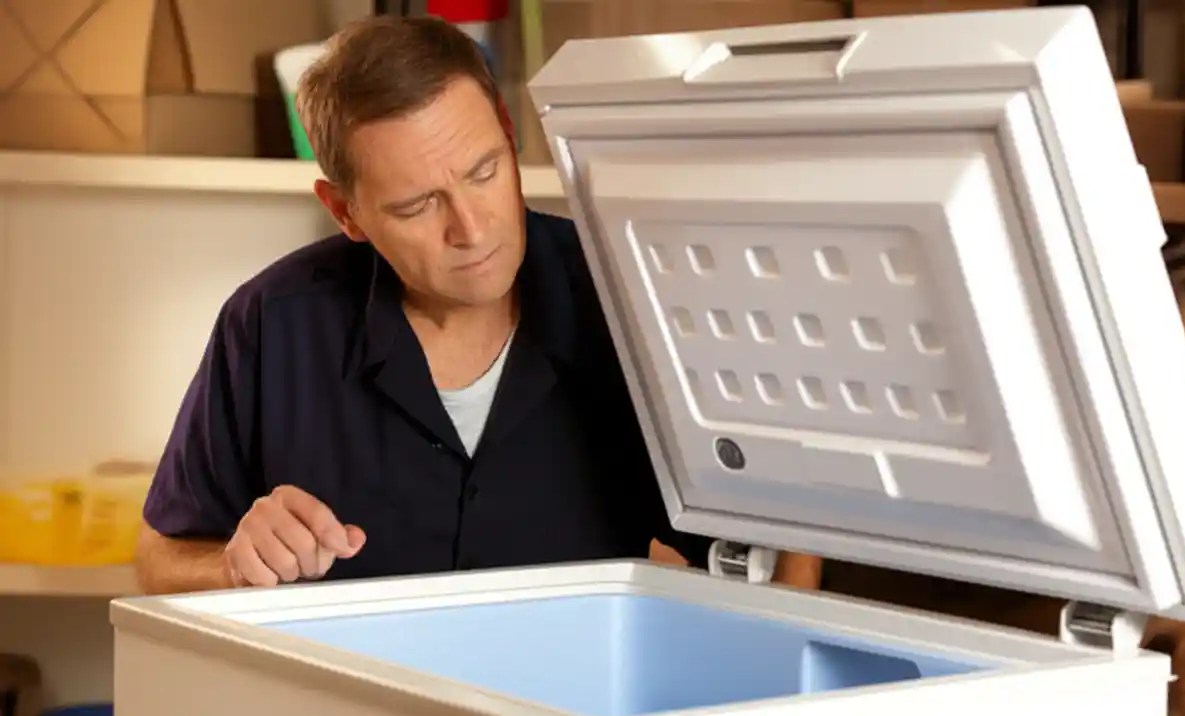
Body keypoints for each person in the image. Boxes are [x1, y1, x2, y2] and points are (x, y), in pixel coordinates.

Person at [133, 15, 823, 594]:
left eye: (485, 172)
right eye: (417, 205)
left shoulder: (632, 297)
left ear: (509, 133)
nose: (472, 229)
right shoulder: (272, 324)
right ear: (345, 212)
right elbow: (159, 558)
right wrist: (234, 562)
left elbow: (779, 545)